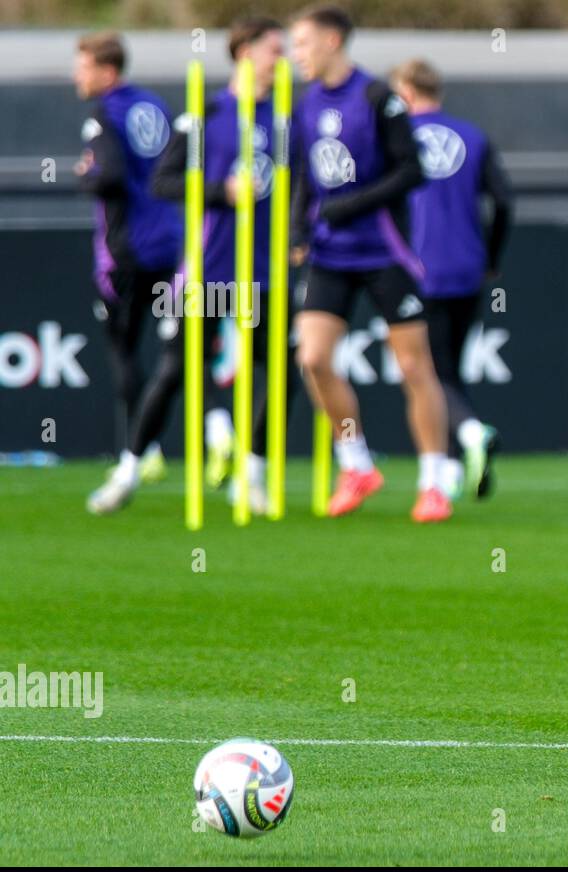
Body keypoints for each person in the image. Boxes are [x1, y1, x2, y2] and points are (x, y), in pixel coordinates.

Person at [87, 17, 297, 516]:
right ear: (245, 52)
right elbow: (164, 182)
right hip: (208, 272)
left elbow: (304, 184)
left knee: (281, 370)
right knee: (177, 369)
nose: (281, 58)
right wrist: (221, 193)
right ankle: (129, 469)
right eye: (273, 49)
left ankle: (252, 470)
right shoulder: (207, 115)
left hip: (265, 273)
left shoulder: (288, 117)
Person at [289, 5, 452, 522]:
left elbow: (413, 170)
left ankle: (432, 483)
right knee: (312, 358)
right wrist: (299, 230)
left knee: (412, 366)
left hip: (385, 253)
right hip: (331, 255)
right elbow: (303, 176)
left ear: (333, 40)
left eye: (304, 44)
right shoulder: (306, 102)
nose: (298, 55)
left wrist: (351, 205)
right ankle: (356, 462)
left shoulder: (379, 97)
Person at [390, 58, 512, 500]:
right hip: (467, 268)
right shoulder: (473, 136)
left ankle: (471, 435)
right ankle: (454, 466)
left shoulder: (398, 138)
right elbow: (503, 202)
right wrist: (491, 258)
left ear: (405, 92)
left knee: (427, 373)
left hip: (418, 269)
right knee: (447, 370)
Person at [74, 31, 180, 499]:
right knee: (182, 344)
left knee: (123, 347)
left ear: (107, 70)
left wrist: (87, 175)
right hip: (170, 241)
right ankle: (217, 431)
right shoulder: (155, 104)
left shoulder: (106, 113)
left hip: (127, 248)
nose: (76, 75)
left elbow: (111, 176)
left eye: (84, 65)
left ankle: (146, 449)